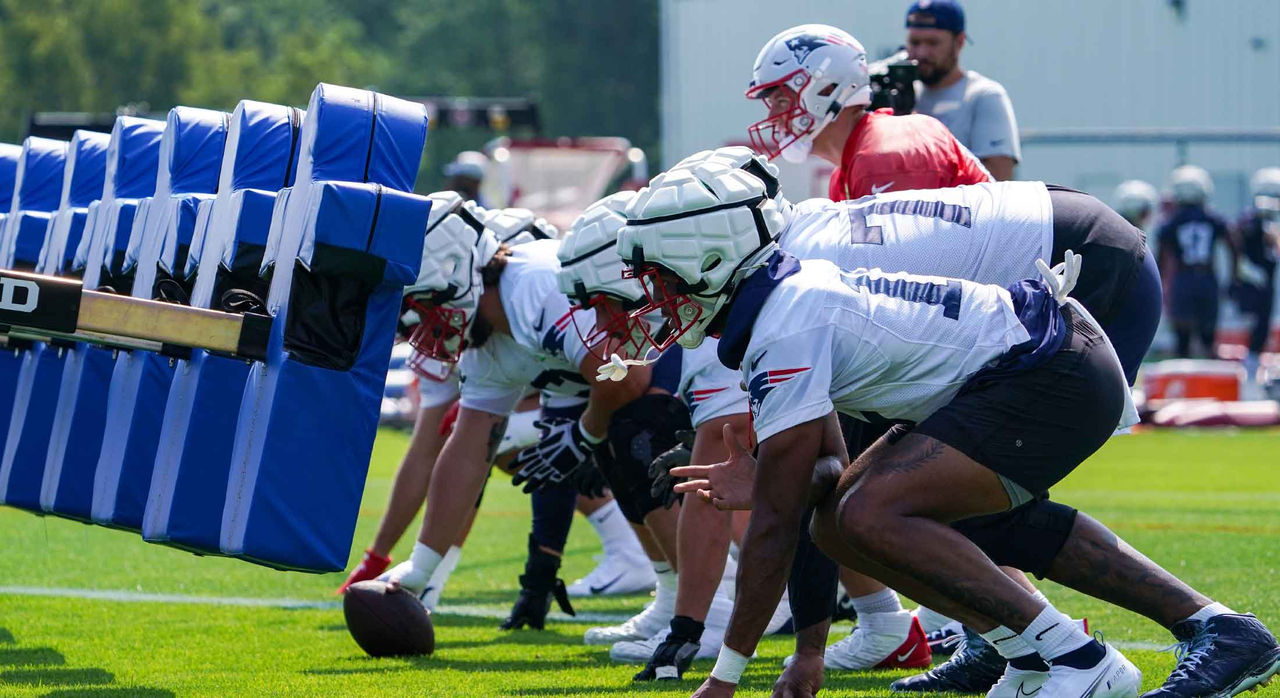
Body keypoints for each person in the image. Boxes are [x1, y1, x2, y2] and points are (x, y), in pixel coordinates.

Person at [615, 158, 1279, 698]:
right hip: (1031, 363)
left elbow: (774, 525)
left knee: (874, 510)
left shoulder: (788, 321)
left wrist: (726, 678)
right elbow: (815, 490)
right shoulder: (781, 310)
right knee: (844, 518)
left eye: (656, 276)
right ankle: (1060, 648)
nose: (650, 299)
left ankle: (1075, 656)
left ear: (706, 255)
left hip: (1053, 365)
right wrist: (768, 486)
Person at [747, 24, 996, 674]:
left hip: (989, 339)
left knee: (850, 478)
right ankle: (929, 624)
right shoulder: (859, 159)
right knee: (832, 473)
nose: (773, 115)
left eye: (781, 98)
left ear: (827, 88)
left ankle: (973, 625)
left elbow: (919, 285)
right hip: (966, 337)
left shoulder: (889, 152)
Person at [553, 194, 791, 674]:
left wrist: (691, 628)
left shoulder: (733, 314)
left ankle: (889, 617)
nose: (601, 327)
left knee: (840, 487)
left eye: (605, 306)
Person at [906, 0, 1021, 181]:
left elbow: (999, 179)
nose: (921, 53)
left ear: (959, 42)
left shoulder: (984, 96)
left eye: (933, 43)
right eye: (915, 42)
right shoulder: (898, 96)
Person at [1157, 165, 1238, 358]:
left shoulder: (1172, 221)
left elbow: (1161, 254)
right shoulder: (1213, 218)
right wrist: (1234, 276)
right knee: (1208, 339)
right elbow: (1234, 245)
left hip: (1183, 280)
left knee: (1182, 341)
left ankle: (1184, 383)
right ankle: (1209, 383)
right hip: (1207, 279)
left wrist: (1160, 284)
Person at [1232, 168, 1280, 382]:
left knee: (1263, 325)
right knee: (1256, 325)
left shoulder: (1268, 221)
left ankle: (1254, 362)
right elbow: (1240, 249)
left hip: (1265, 281)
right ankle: (1250, 364)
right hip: (1255, 282)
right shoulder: (1251, 221)